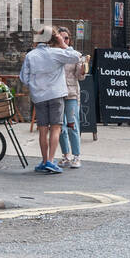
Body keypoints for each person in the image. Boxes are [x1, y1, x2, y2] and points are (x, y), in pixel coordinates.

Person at [19, 25, 82, 174]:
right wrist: (63, 44)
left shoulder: (31, 55)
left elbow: (23, 78)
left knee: (42, 130)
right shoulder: (56, 52)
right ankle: (51, 161)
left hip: (39, 97)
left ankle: (44, 160)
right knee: (55, 128)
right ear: (54, 38)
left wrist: (35, 86)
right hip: (55, 95)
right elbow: (76, 56)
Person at [56, 26, 89, 169]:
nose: (64, 40)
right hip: (57, 94)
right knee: (60, 127)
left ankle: (76, 156)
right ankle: (65, 155)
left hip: (71, 94)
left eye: (66, 38)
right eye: (61, 38)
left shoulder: (75, 55)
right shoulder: (54, 54)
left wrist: (82, 69)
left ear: (70, 40)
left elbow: (80, 76)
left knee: (71, 125)